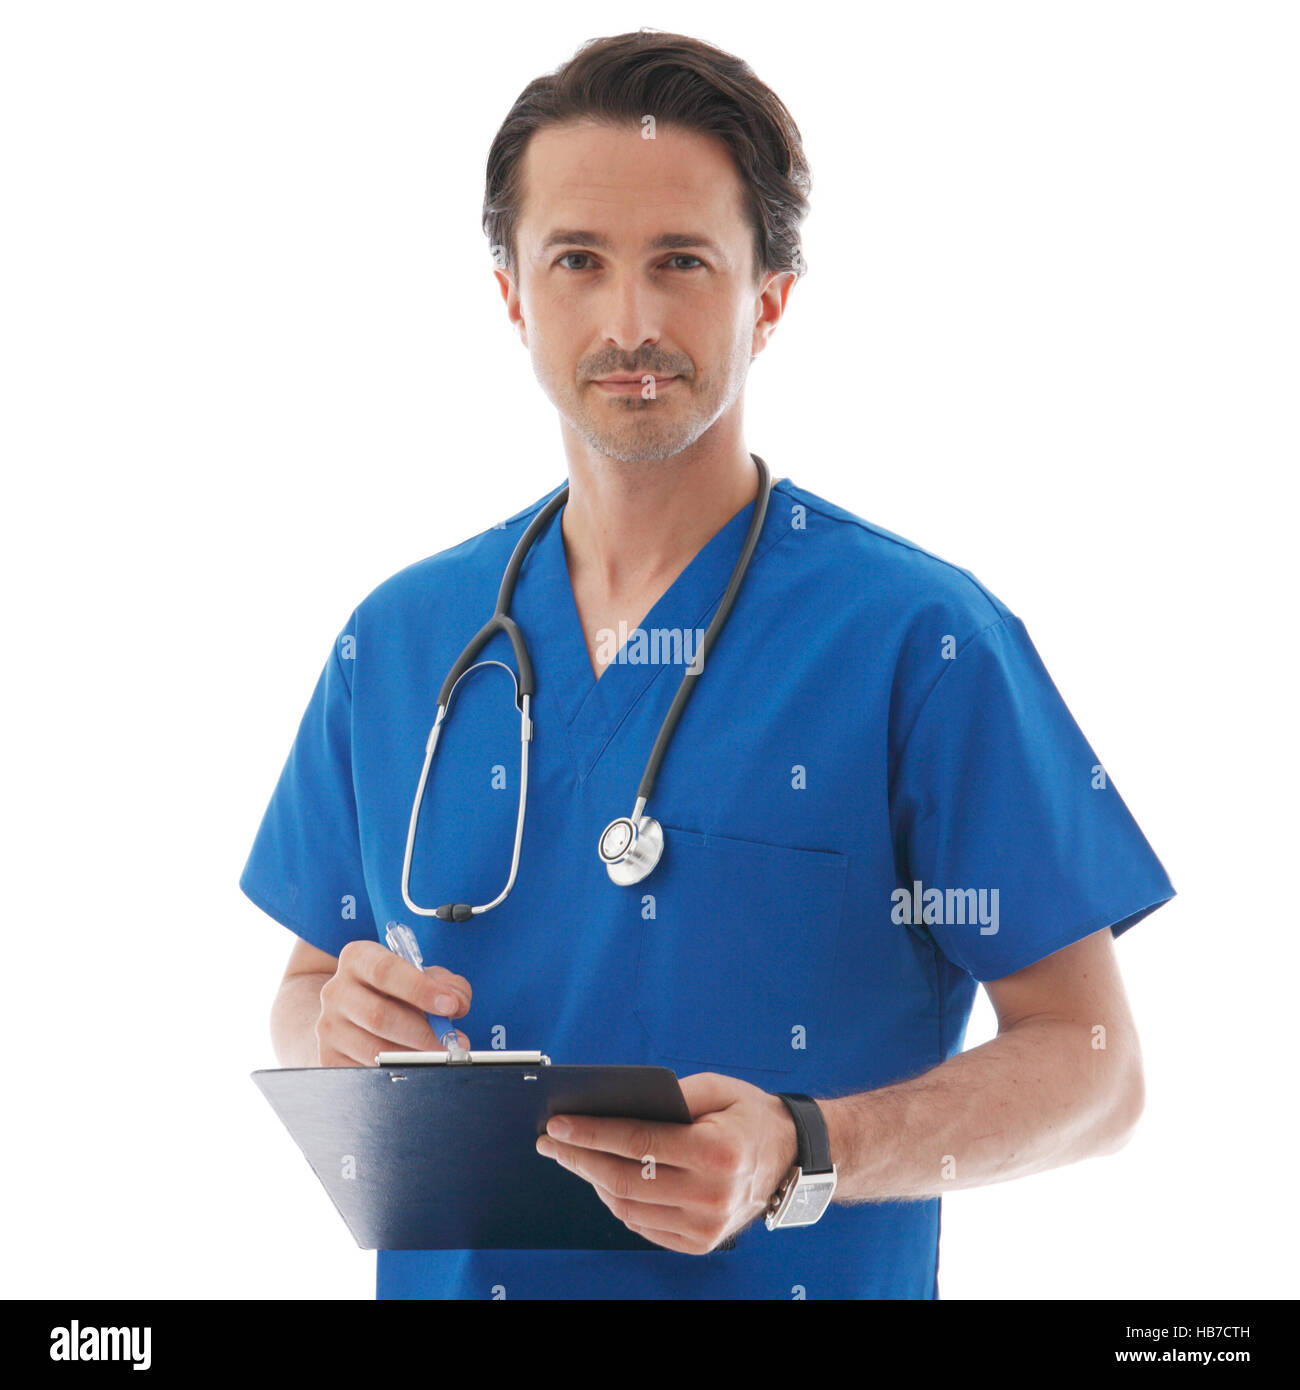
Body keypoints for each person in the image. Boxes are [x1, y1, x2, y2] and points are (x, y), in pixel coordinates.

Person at [240, 29, 1175, 1300]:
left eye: (681, 262)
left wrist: (806, 1149)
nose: (629, 321)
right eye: (578, 261)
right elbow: (304, 991)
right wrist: (331, 1023)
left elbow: (1096, 1065)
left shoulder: (921, 643)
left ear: (768, 296)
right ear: (512, 291)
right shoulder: (402, 640)